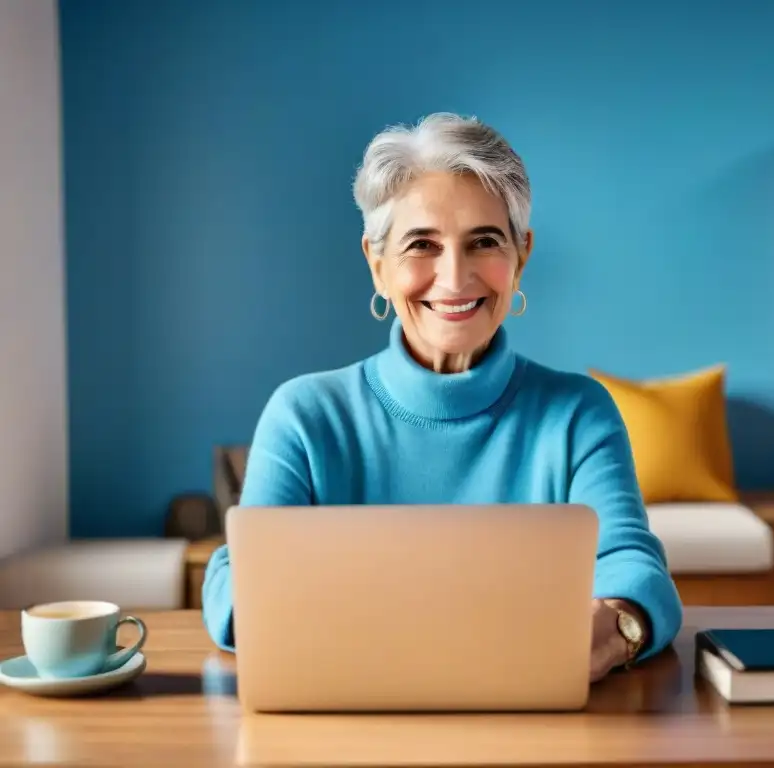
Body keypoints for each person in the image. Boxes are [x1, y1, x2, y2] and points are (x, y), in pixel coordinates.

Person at [201, 113, 683, 682]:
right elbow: (236, 585)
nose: (454, 279)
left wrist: (611, 632)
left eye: (484, 242)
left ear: (521, 257)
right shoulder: (304, 416)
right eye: (422, 245)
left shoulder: (579, 414)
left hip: (530, 709)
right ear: (377, 266)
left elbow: (633, 567)